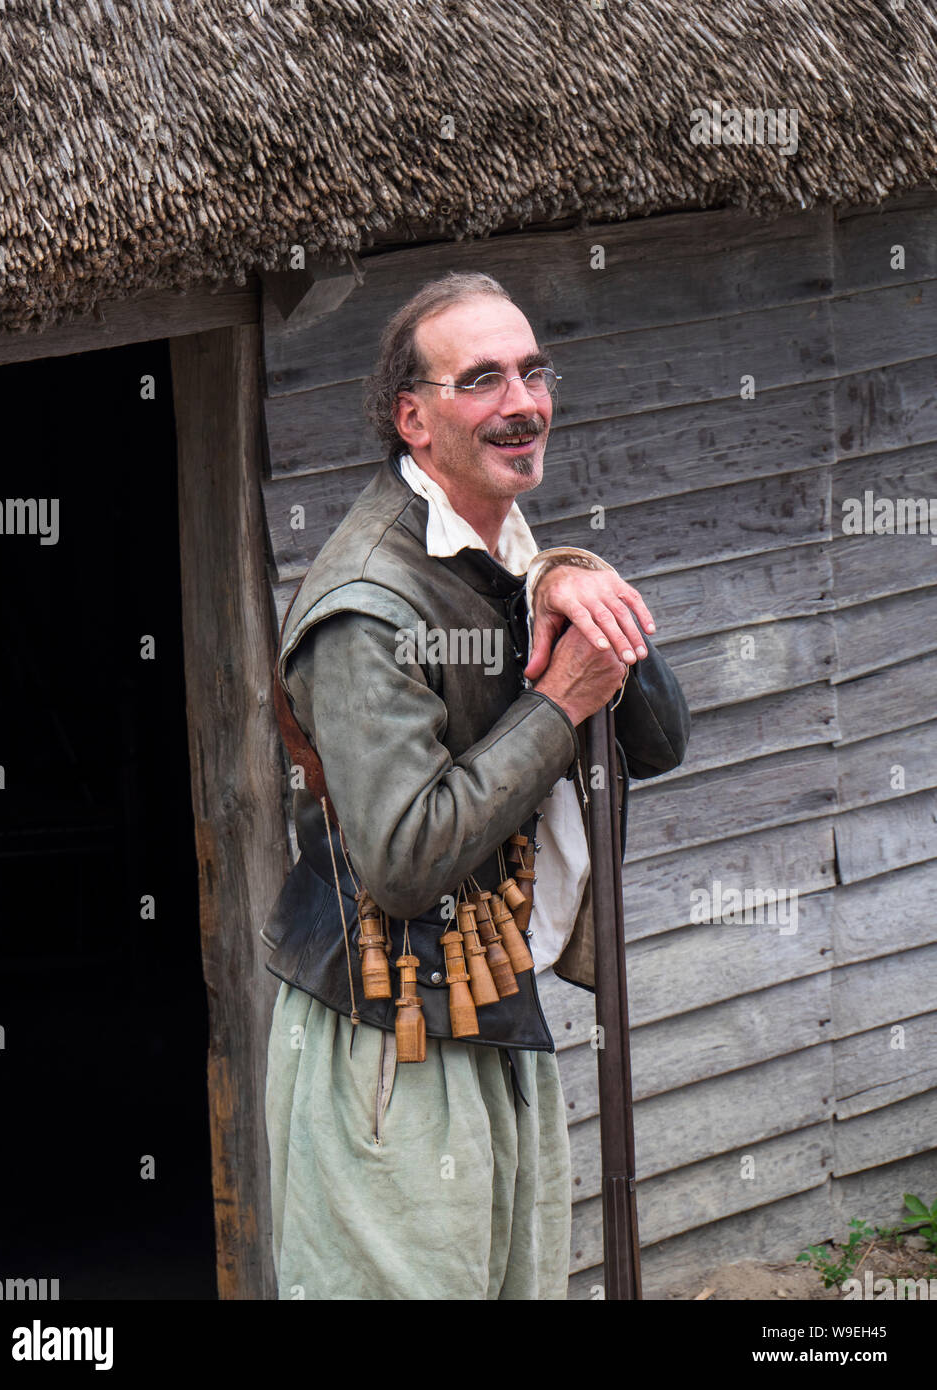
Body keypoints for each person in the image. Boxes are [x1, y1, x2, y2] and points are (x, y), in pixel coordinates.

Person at [261, 271, 690, 1300]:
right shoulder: (368, 607)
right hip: (391, 1039)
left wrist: (569, 572)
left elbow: (662, 736)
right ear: (415, 419)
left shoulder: (509, 542)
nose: (522, 400)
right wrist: (561, 703)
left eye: (534, 370)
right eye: (483, 379)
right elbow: (405, 859)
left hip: (501, 1011)